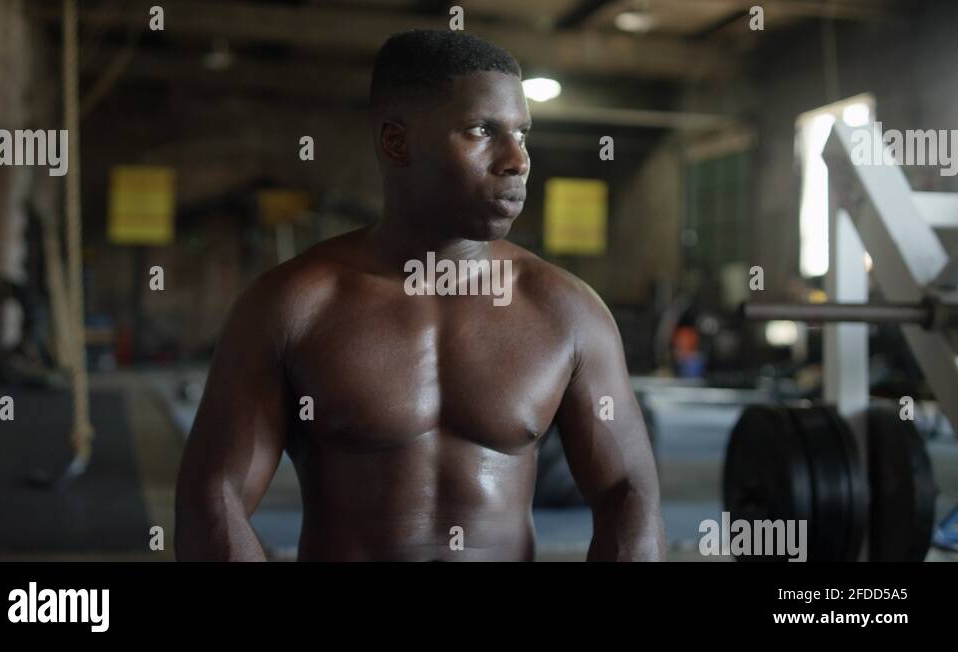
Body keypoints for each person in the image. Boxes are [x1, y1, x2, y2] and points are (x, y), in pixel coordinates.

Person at [175, 29, 664, 561]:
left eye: (522, 135)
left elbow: (628, 495)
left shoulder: (567, 311)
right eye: (482, 131)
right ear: (396, 142)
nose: (516, 160)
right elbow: (214, 497)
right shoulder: (290, 307)